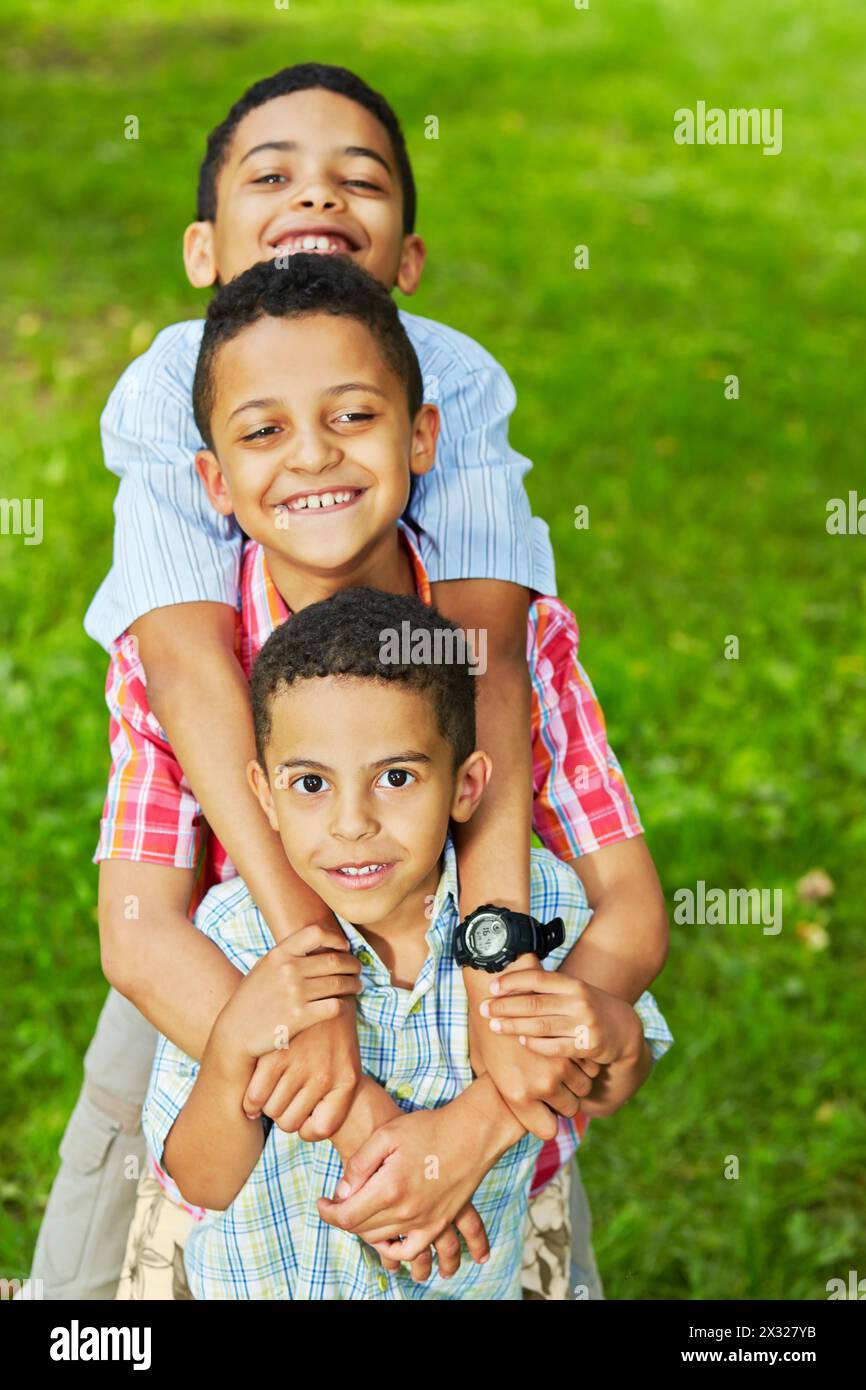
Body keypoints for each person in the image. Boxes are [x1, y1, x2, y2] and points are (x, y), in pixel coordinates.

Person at [31, 64, 667, 1299]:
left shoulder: (463, 405)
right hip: (222, 996)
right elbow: (143, 910)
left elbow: (491, 672)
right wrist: (344, 1081)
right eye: (262, 428)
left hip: (460, 1016)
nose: (311, 453)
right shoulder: (167, 441)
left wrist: (485, 1075)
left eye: (355, 177)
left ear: (416, 429)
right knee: (97, 1274)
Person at [141, 584, 673, 1299]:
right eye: (310, 784)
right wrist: (235, 1045)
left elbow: (606, 1087)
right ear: (263, 796)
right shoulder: (235, 938)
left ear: (465, 785)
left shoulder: (537, 912)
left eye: (395, 777)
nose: (352, 822)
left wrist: (615, 1030)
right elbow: (201, 1179)